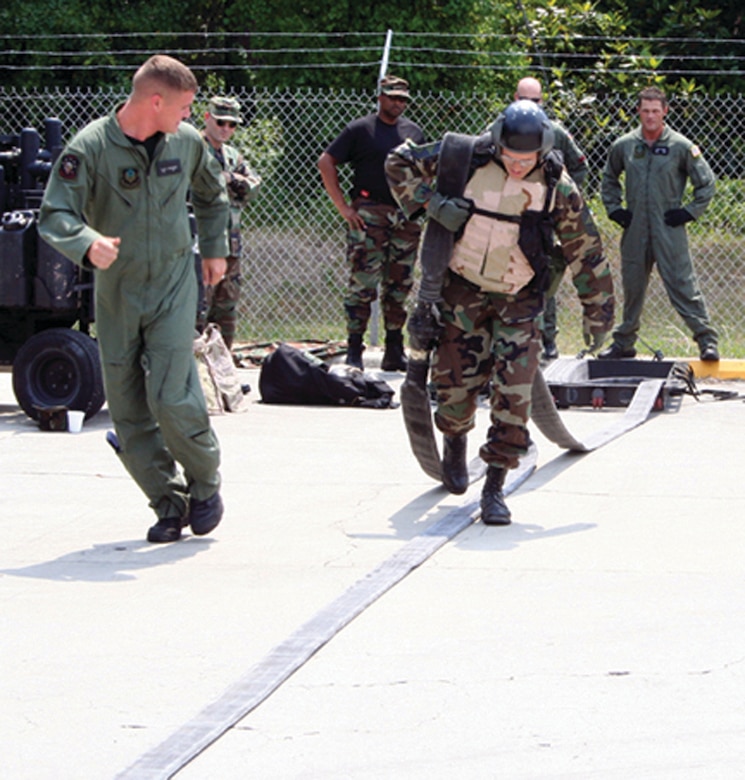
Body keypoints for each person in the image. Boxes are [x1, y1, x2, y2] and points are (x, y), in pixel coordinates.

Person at [385, 100, 614, 525]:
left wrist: (598, 314)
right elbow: (398, 163)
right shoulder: (463, 156)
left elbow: (586, 250)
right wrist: (431, 203)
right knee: (454, 389)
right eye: (509, 156)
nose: (515, 165)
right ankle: (455, 443)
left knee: (514, 396)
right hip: (462, 293)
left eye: (525, 159)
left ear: (541, 152)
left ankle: (493, 486)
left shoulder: (557, 186)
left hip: (519, 299)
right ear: (496, 143)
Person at [38, 55, 230, 544]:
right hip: (118, 293)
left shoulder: (185, 143)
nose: (190, 117)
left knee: (171, 394)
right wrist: (85, 241)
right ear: (156, 100)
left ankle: (205, 483)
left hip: (171, 286)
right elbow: (54, 213)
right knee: (126, 406)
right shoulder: (92, 147)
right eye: (185, 107)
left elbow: (212, 194)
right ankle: (169, 503)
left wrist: (214, 248)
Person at [599, 86, 719, 361]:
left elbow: (707, 184)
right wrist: (615, 210)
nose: (650, 116)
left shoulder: (681, 146)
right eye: (645, 110)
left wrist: (689, 213)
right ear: (638, 112)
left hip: (669, 229)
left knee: (683, 286)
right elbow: (609, 179)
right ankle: (624, 343)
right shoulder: (625, 146)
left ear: (665, 111)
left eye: (655, 110)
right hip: (635, 230)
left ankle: (706, 340)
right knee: (632, 288)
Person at [318, 74, 426, 371]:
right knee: (362, 284)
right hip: (369, 214)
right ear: (380, 97)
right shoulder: (360, 129)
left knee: (400, 284)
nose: (397, 103)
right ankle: (355, 348)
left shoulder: (413, 133)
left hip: (405, 217)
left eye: (403, 99)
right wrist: (343, 207)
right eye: (392, 97)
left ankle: (394, 347)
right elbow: (326, 161)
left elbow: (424, 171)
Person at [514, 76, 589, 360]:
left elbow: (580, 167)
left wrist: (565, 200)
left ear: (542, 102)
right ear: (514, 98)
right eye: (524, 100)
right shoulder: (500, 130)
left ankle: (548, 339)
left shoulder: (555, 132)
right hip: (511, 217)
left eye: (535, 101)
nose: (530, 106)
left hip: (544, 218)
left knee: (546, 277)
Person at [198, 95, 262, 351]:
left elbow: (253, 186)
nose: (226, 129)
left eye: (232, 124)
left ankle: (223, 368)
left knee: (227, 309)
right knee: (199, 307)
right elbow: (199, 187)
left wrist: (230, 179)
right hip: (202, 243)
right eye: (221, 122)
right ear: (207, 118)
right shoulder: (194, 149)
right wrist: (228, 181)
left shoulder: (233, 155)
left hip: (231, 244)